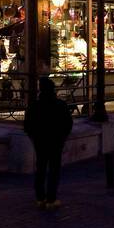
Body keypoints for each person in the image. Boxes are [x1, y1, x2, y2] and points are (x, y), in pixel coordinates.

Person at [24, 77, 74, 208]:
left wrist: (34, 137)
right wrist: (62, 137)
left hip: (40, 141)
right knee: (54, 169)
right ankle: (51, 199)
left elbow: (27, 125)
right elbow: (68, 123)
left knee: (40, 168)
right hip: (56, 141)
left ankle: (40, 198)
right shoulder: (60, 105)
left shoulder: (34, 106)